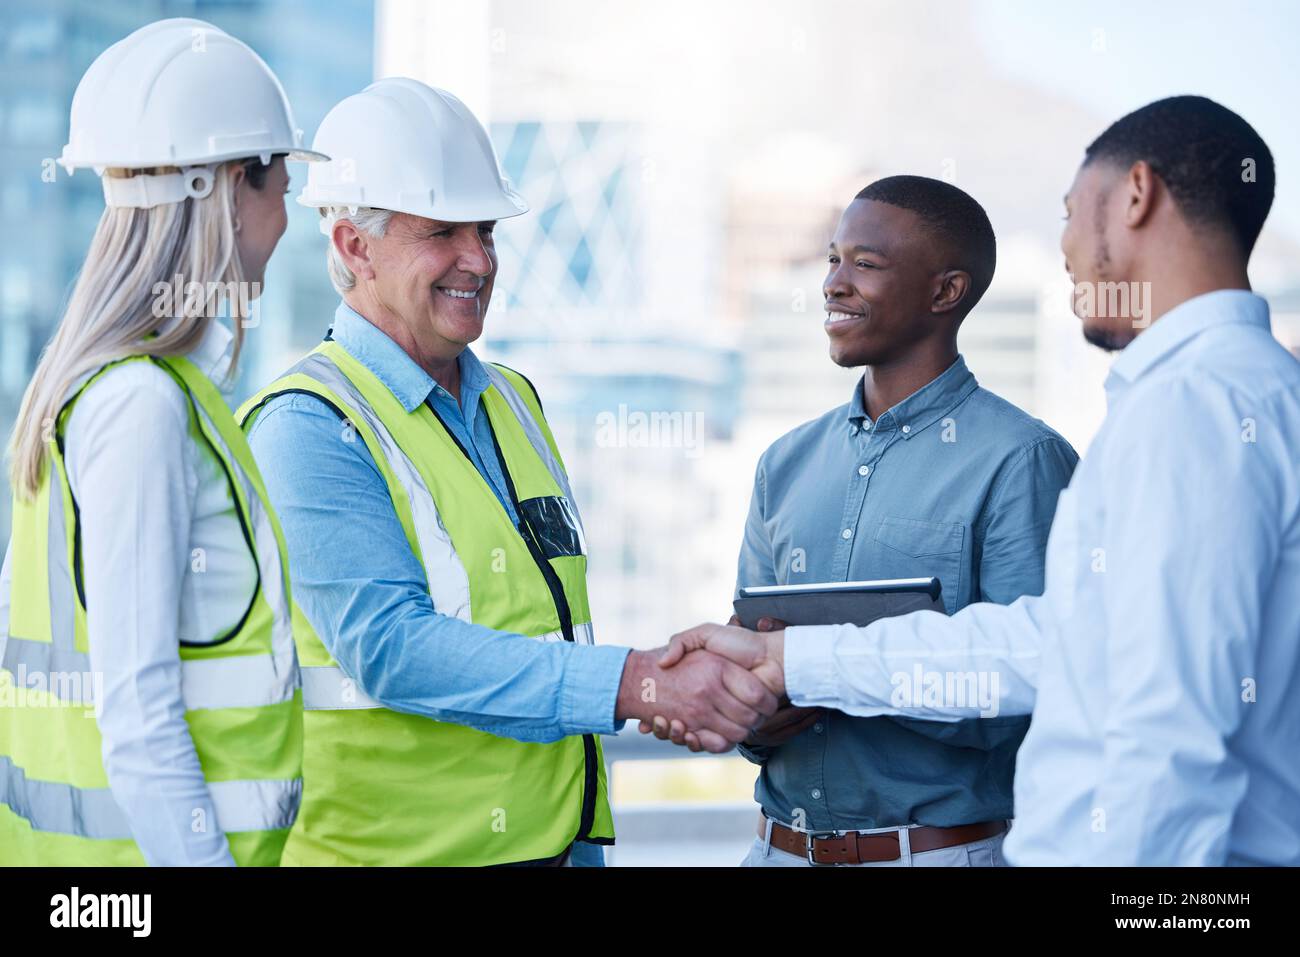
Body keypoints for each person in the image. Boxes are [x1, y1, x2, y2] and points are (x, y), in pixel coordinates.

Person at [653, 96, 1300, 866]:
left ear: (1136, 193)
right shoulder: (1220, 393)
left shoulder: (1197, 406)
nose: (1063, 247)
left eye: (1068, 212)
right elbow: (1044, 647)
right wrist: (785, 664)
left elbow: (1170, 736)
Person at [238, 78, 777, 867]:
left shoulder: (513, 402)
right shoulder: (309, 426)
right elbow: (392, 648)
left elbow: (544, 622)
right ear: (354, 246)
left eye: (486, 229)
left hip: (554, 846)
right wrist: (638, 684)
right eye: (443, 231)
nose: (479, 259)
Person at [653, 177, 1078, 867]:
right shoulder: (784, 463)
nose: (833, 283)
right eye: (832, 259)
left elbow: (1029, 694)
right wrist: (744, 698)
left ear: (945, 293)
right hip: (775, 851)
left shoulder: (1023, 461)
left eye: (866, 264)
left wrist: (821, 675)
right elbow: (752, 658)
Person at [0, 18, 325, 865]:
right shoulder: (139, 405)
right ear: (221, 189)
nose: (288, 219)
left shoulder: (132, 393)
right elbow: (140, 724)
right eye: (279, 186)